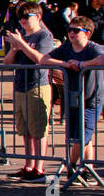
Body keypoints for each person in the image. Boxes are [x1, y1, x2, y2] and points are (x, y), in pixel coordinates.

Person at [32, 17, 104, 171]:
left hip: (91, 99)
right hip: (73, 97)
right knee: (82, 137)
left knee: (83, 136)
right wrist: (64, 64)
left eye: (76, 30)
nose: (71, 33)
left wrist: (82, 64)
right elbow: (44, 59)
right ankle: (87, 170)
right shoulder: (66, 48)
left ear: (87, 33)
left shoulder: (93, 48)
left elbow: (102, 58)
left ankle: (70, 165)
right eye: (69, 29)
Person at [2, 1, 58, 182]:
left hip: (37, 86)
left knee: (38, 129)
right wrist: (14, 48)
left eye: (27, 17)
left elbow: (41, 59)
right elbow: (8, 63)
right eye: (21, 18)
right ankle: (28, 165)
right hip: (20, 86)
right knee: (25, 129)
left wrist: (22, 44)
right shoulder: (22, 37)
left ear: (38, 17)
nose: (23, 21)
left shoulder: (44, 36)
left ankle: (39, 168)